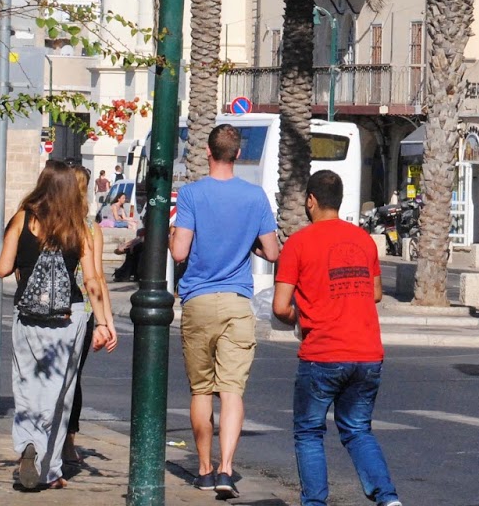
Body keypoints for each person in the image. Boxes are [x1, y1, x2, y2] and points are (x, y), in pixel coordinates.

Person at [274, 170, 402, 506]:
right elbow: (375, 294)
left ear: (311, 201)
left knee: (309, 432)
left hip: (323, 354)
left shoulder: (299, 243)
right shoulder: (362, 240)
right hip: (367, 352)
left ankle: (315, 503)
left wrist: (299, 318)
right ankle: (388, 499)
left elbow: (279, 306)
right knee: (358, 430)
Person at [172, 124, 280, 499]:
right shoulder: (255, 198)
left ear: (207, 151)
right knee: (232, 390)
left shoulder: (191, 194)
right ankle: (226, 469)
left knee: (202, 389)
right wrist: (247, 242)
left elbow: (179, 252)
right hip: (236, 301)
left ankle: (202, 468)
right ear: (238, 154)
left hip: (199, 299)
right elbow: (273, 251)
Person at [0, 161, 118, 491]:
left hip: (27, 317)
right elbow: (92, 279)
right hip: (68, 317)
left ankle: (27, 448)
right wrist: (105, 322)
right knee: (58, 392)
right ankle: (47, 468)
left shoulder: (24, 217)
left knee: (25, 385)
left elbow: (2, 268)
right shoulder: (79, 226)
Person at [64, 166, 110, 466]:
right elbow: (98, 278)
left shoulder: (49, 221)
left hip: (51, 309)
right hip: (83, 309)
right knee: (73, 378)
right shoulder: (90, 228)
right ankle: (68, 442)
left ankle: (46, 440)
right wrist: (106, 321)